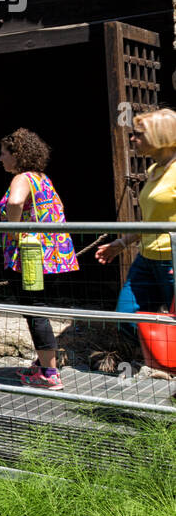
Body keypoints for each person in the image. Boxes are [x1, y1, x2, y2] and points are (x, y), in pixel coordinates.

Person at [0, 128, 78, 391]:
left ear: (17, 155)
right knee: (37, 309)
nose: (0, 158)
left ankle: (49, 373)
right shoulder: (43, 179)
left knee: (35, 311)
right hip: (52, 256)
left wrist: (13, 229)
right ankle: (43, 363)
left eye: (4, 153)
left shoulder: (22, 178)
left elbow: (15, 203)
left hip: (30, 257)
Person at [98, 109, 176, 369]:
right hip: (146, 259)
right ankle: (162, 364)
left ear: (160, 135)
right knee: (126, 316)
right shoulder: (154, 170)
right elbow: (151, 220)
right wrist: (120, 243)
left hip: (172, 261)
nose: (132, 139)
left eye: (138, 134)